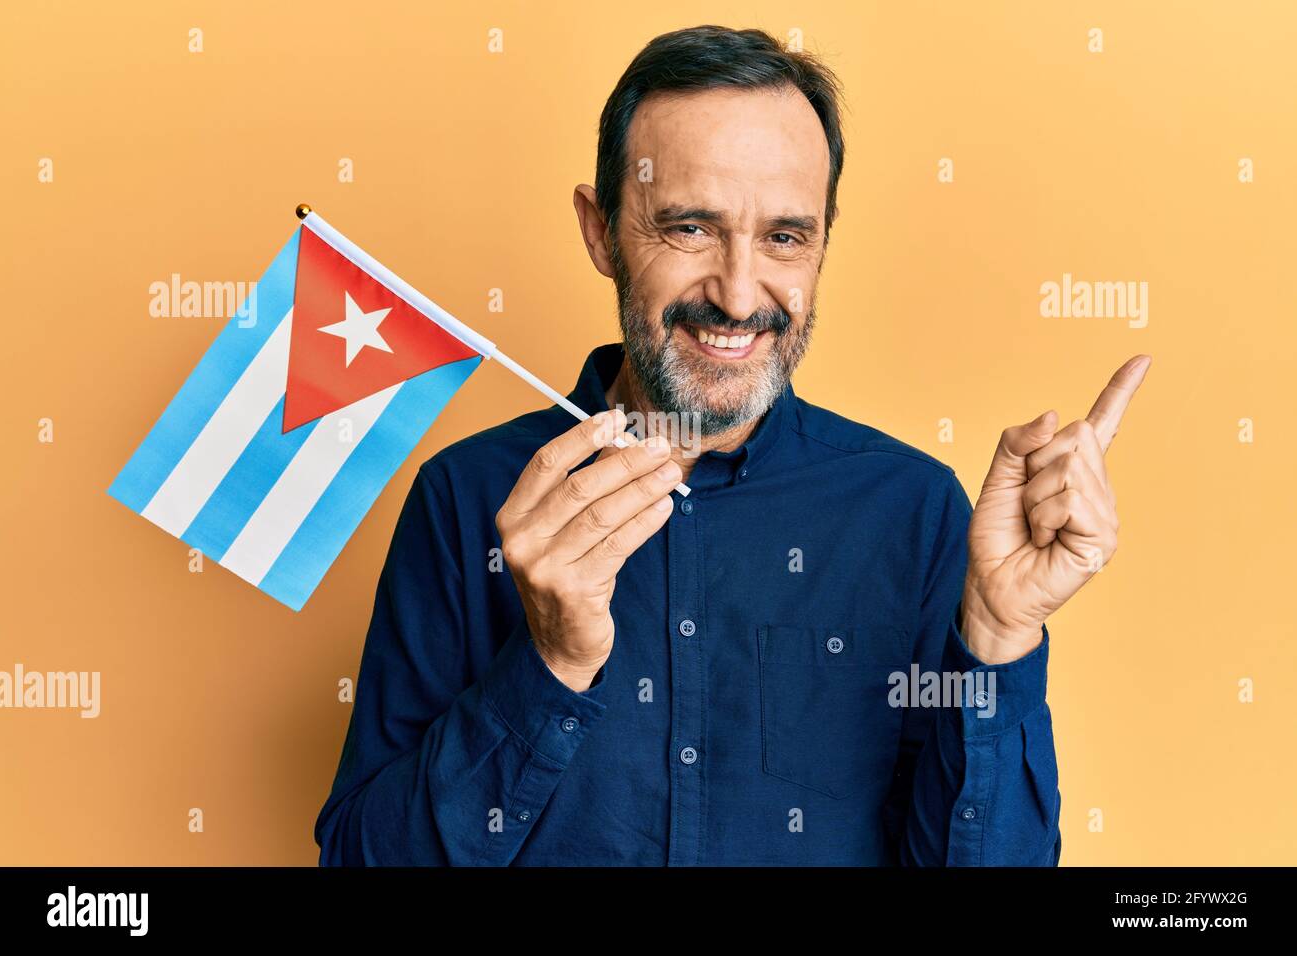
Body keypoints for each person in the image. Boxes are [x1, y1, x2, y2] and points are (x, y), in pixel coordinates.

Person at [315, 24, 1148, 866]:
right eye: (689, 228)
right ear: (600, 232)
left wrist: (1000, 636)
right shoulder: (468, 499)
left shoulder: (914, 512)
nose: (740, 293)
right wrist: (551, 664)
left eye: (785, 236)